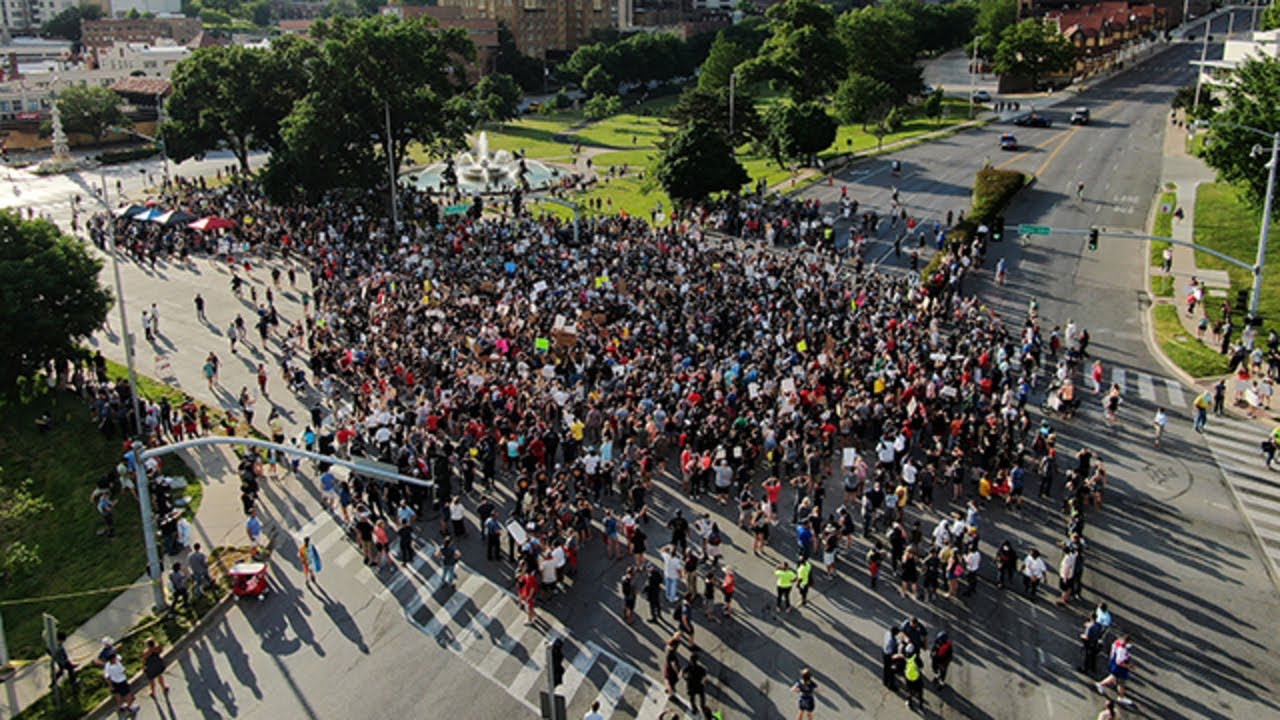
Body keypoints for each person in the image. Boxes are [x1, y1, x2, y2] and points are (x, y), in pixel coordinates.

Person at [1096, 634, 1135, 706]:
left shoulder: (1117, 642)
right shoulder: (1122, 650)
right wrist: (1128, 666)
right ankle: (1121, 697)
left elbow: (1112, 652)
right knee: (1121, 683)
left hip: (1115, 664)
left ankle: (1100, 684)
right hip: (1120, 668)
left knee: (1113, 677)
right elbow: (1119, 662)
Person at [683, 649, 708, 716]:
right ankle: (702, 706)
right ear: (697, 660)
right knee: (702, 697)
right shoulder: (701, 668)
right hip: (699, 685)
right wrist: (704, 683)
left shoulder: (687, 667)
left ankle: (694, 709)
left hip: (690, 685)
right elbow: (705, 678)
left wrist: (686, 679)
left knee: (692, 699)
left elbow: (682, 674)